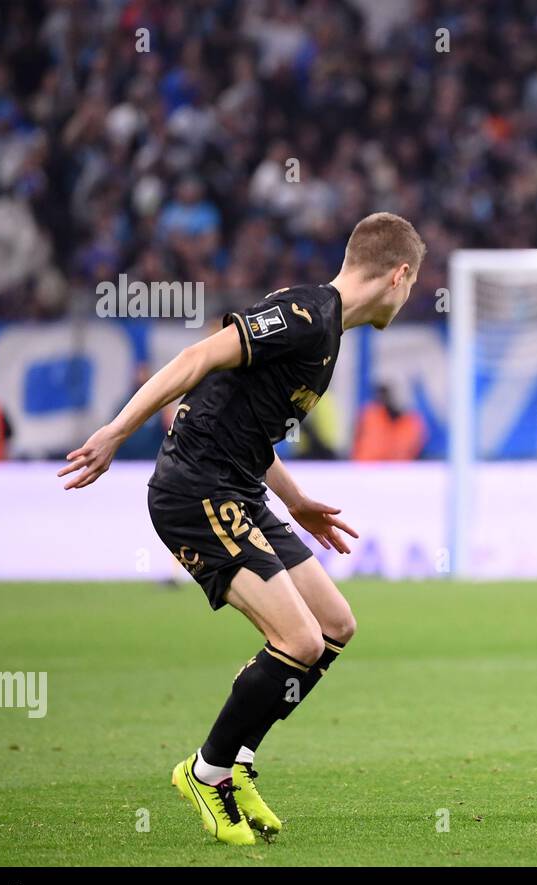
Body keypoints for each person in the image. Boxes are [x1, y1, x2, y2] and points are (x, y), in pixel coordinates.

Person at [59, 212, 425, 845]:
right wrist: (118, 430)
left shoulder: (328, 332)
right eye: (414, 284)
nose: (412, 296)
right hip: (195, 489)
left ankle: (240, 761)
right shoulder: (308, 316)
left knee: (335, 625)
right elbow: (199, 355)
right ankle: (206, 771)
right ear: (400, 274)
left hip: (241, 487)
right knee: (300, 640)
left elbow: (251, 428)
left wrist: (300, 501)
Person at [352, 383, 426, 460]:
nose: (383, 399)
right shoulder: (370, 414)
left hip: (398, 469)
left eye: (386, 394)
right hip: (366, 468)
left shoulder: (412, 423)